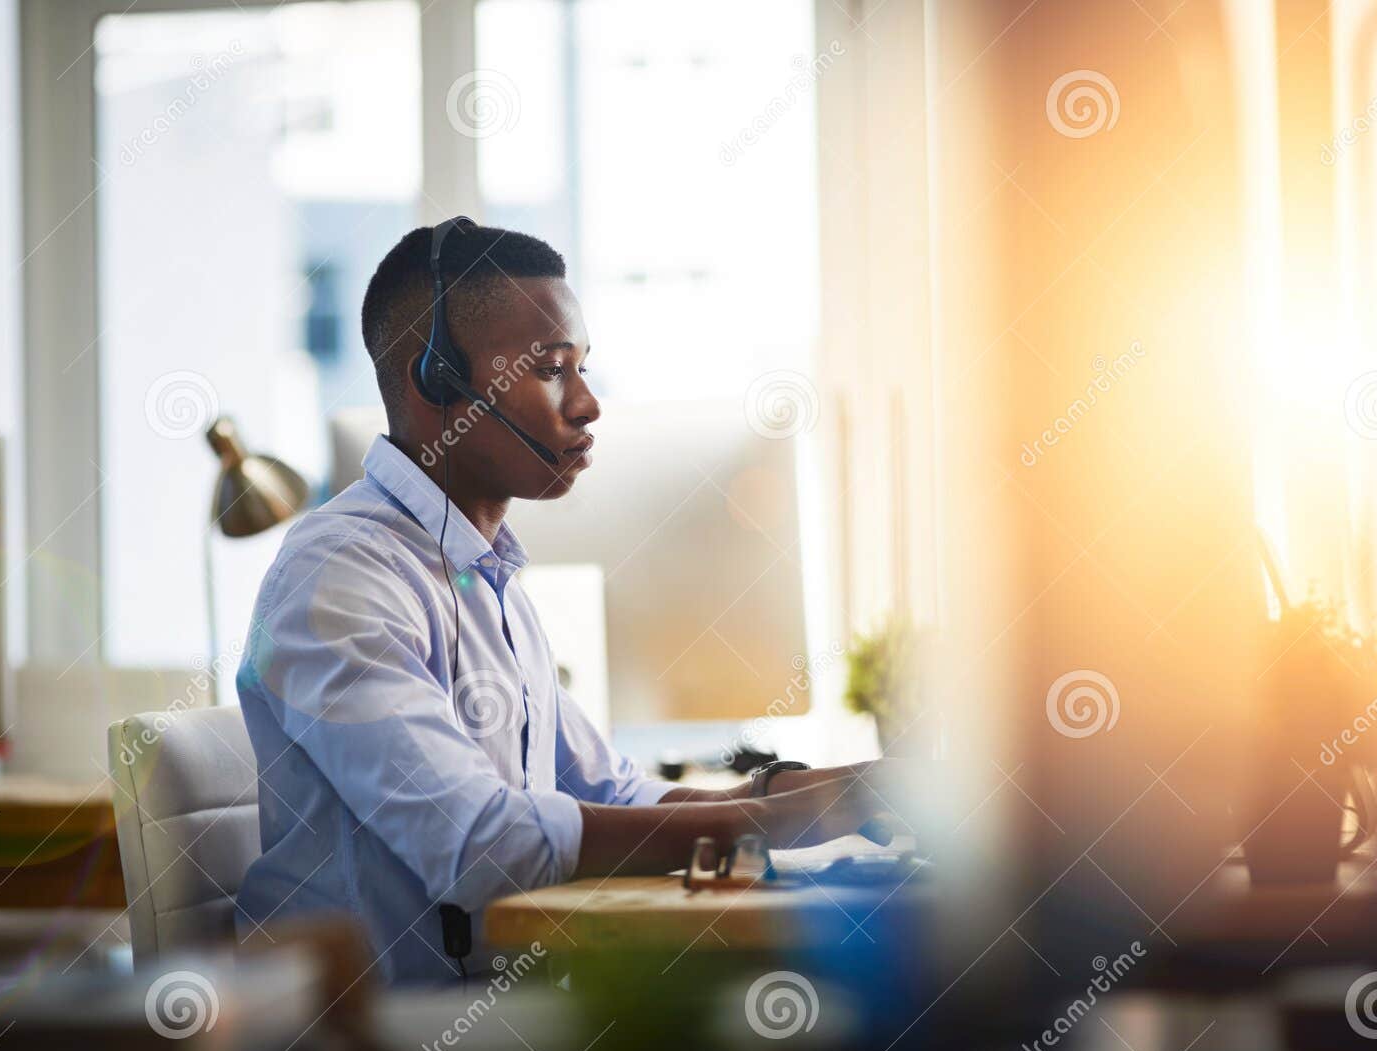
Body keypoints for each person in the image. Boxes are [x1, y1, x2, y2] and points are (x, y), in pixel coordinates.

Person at [235, 219, 895, 985]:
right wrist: (777, 821)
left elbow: (609, 791)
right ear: (438, 380)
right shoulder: (342, 574)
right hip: (380, 1045)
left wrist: (822, 790)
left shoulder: (487, 577)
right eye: (552, 370)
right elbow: (482, 844)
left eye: (583, 369)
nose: (587, 405)